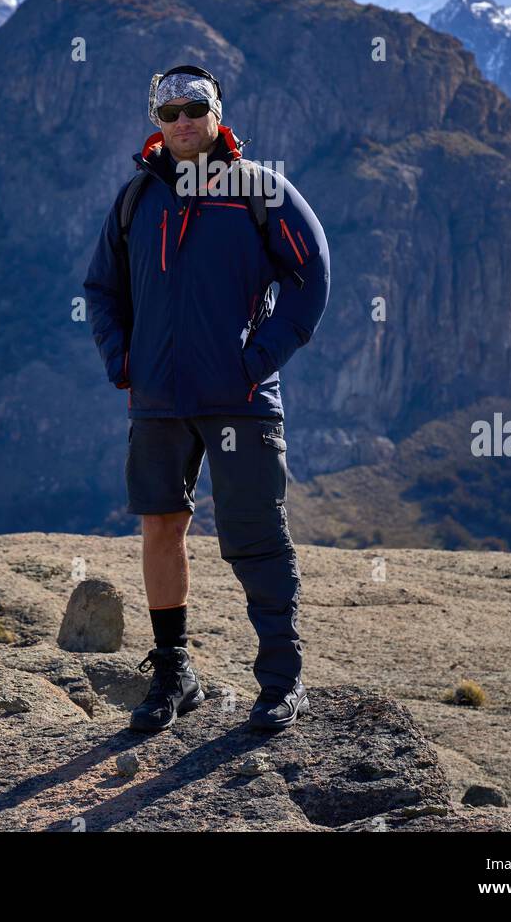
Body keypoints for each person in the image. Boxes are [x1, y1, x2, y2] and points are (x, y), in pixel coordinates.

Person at [83, 64, 330, 731]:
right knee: (161, 526)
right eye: (171, 114)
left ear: (217, 113)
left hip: (241, 400)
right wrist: (122, 360)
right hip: (158, 401)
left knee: (254, 535)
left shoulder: (259, 192)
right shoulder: (137, 200)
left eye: (196, 108)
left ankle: (282, 681)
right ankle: (174, 675)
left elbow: (312, 277)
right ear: (156, 123)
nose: (184, 122)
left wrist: (259, 360)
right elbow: (101, 290)